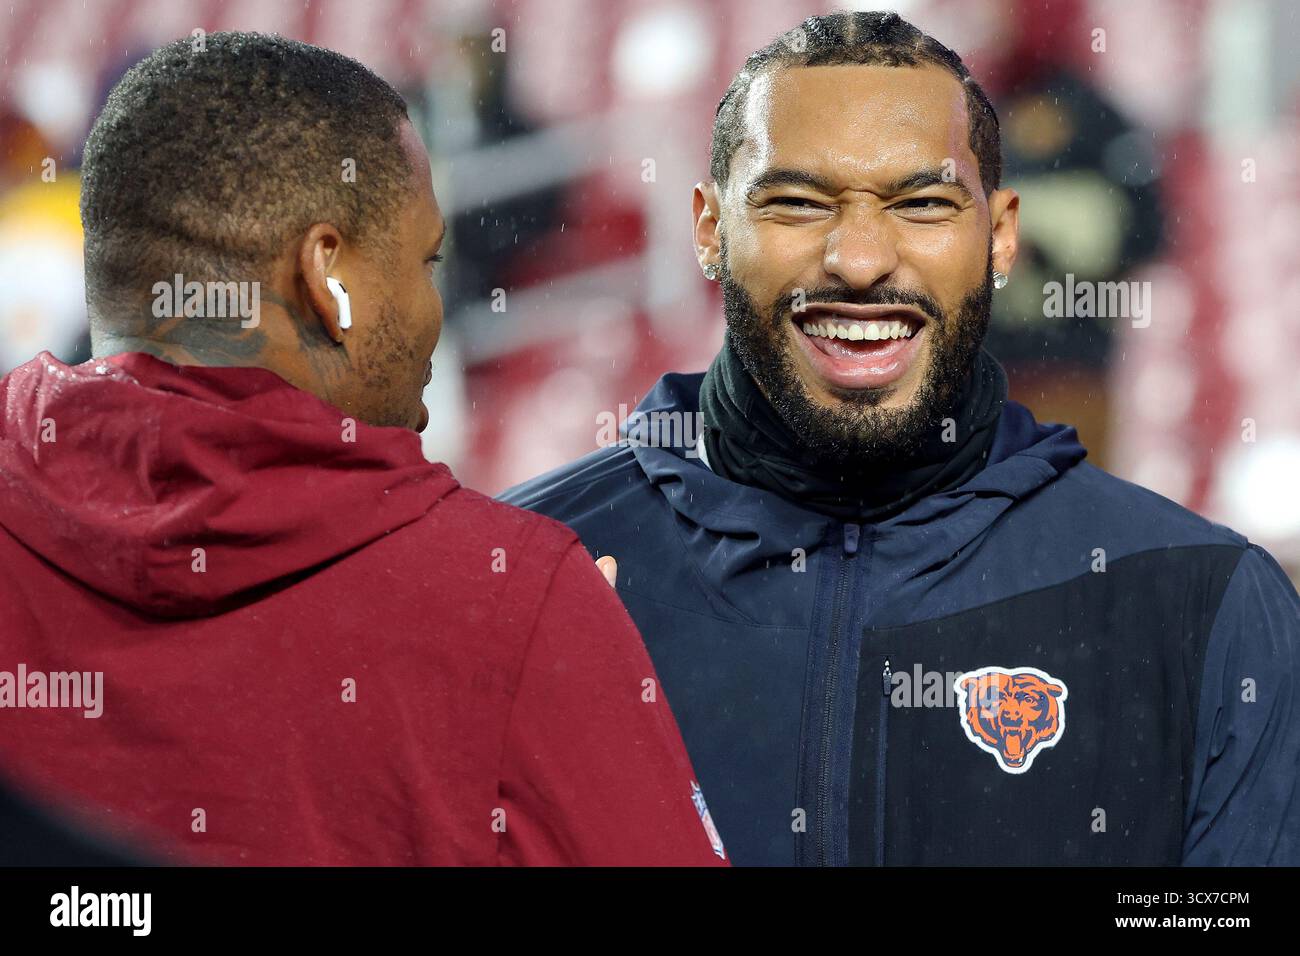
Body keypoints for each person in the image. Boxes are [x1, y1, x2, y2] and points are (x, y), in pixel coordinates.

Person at [502, 12, 1300, 865]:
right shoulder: (526, 572)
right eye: (798, 204)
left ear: (999, 234)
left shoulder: (1202, 604)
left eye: (922, 205)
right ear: (709, 228)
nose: (858, 259)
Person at [0, 32, 726, 867]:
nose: (434, 311)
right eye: (425, 261)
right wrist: (556, 651)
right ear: (328, 280)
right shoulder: (515, 601)